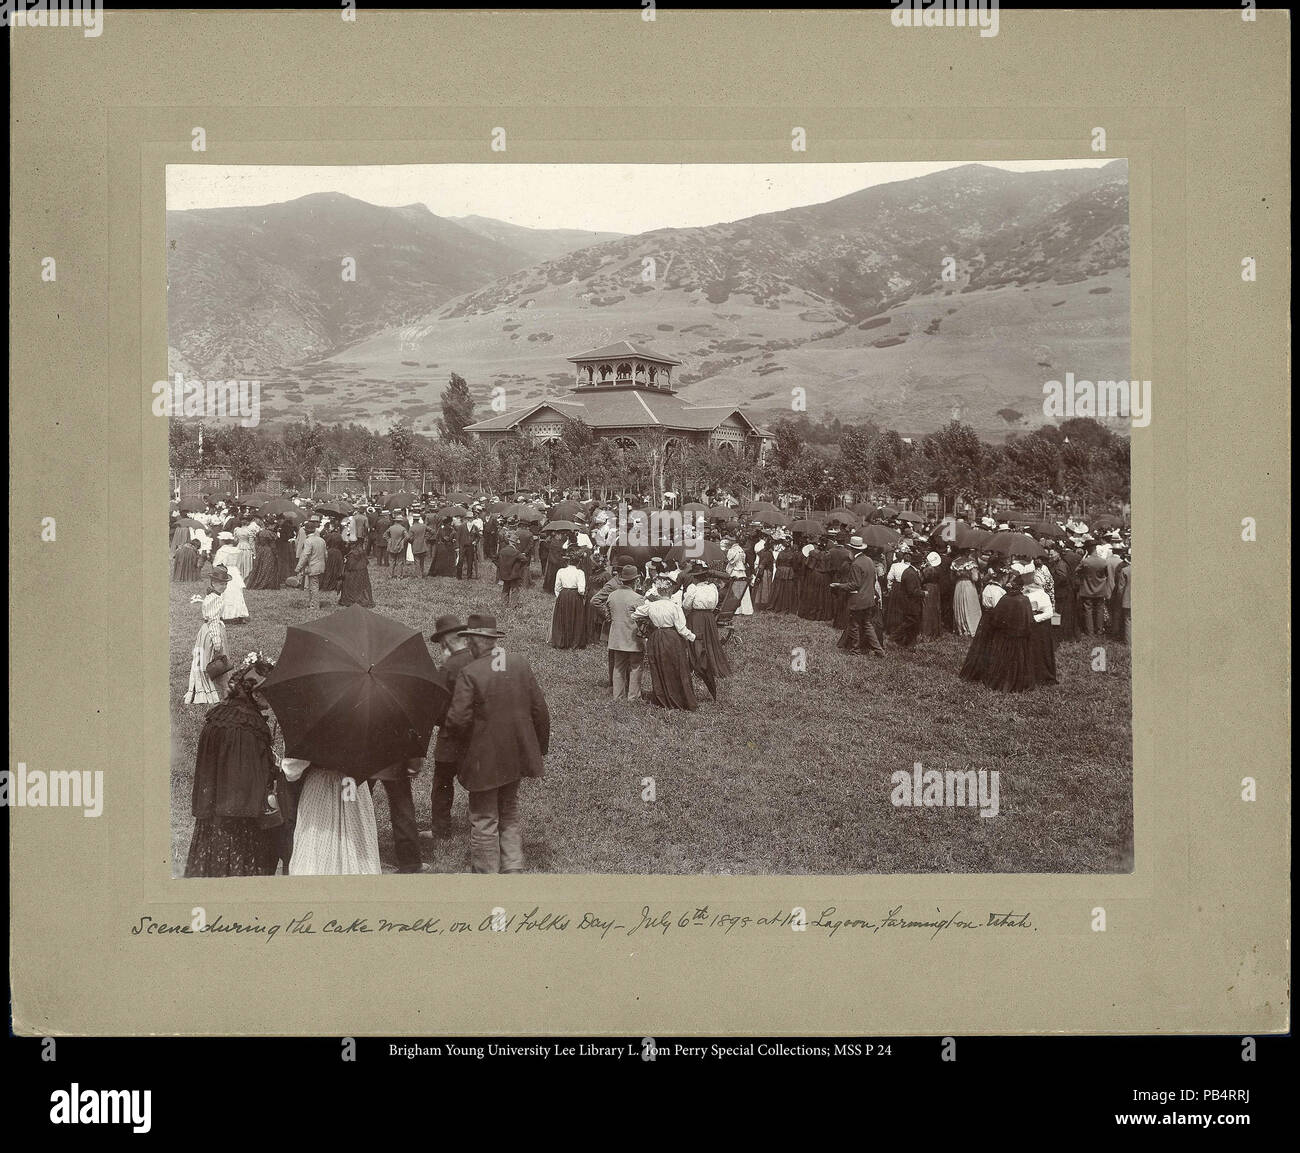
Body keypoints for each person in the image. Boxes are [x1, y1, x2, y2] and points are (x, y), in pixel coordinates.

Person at [443, 615, 551, 874]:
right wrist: (538, 748)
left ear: (476, 642)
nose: (468, 645)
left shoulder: (470, 673)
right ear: (493, 640)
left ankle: (486, 874)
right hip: (516, 754)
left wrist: (458, 748)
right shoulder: (519, 664)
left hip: (483, 759)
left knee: (483, 817)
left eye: (469, 640)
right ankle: (513, 866)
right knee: (509, 810)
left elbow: (457, 720)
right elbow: (540, 711)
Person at [184, 654, 281, 877]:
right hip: (239, 822)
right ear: (255, 693)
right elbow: (251, 776)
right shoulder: (248, 725)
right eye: (269, 693)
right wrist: (274, 768)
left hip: (213, 815)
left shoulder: (220, 714)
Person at [282, 757, 382, 875]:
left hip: (322, 784)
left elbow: (292, 770)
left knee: (319, 841)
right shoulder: (361, 738)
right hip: (353, 783)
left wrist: (284, 766)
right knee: (355, 838)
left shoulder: (318, 737)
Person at [426, 615, 473, 836]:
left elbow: (436, 707)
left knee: (442, 782)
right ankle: (483, 826)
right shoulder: (478, 659)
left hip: (450, 737)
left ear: (445, 643)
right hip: (476, 735)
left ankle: (441, 829)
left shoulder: (448, 668)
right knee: (477, 782)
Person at [960, 573, 1037, 693]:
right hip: (1019, 639)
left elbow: (996, 619)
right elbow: (1029, 621)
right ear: (1022, 588)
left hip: (1004, 638)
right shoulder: (1024, 600)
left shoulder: (1004, 598)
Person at [633, 577, 699, 711]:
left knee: (658, 665)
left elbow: (634, 615)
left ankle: (662, 696)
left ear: (658, 591)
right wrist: (693, 637)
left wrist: (647, 622)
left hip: (656, 637)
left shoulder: (651, 605)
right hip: (671, 637)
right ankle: (677, 696)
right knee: (675, 666)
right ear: (670, 592)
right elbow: (681, 629)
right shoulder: (674, 607)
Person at [183, 568, 232, 704]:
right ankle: (215, 687)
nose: (224, 586)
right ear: (213, 584)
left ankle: (216, 685)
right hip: (211, 632)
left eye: (225, 584)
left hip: (205, 631)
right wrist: (217, 641)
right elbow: (213, 620)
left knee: (207, 659)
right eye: (221, 584)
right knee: (214, 660)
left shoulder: (213, 597)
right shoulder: (215, 600)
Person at [837, 536, 885, 657]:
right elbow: (873, 579)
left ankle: (855, 650)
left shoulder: (856, 564)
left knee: (854, 625)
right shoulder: (869, 560)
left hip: (858, 600)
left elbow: (854, 585)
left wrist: (839, 586)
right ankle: (879, 650)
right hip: (869, 599)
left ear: (852, 550)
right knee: (867, 625)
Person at [605, 565, 646, 701]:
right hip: (633, 638)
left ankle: (618, 695)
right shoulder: (638, 598)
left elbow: (608, 614)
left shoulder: (612, 595)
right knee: (635, 666)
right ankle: (633, 696)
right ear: (635, 581)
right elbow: (644, 619)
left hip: (616, 637)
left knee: (618, 666)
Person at [549, 552, 588, 649]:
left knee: (562, 616)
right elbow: (581, 590)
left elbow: (557, 587)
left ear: (568, 561)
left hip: (563, 594)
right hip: (575, 596)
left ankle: (561, 640)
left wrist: (561, 597)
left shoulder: (561, 571)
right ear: (578, 562)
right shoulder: (580, 573)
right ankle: (573, 641)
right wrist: (581, 597)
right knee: (575, 616)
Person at [1026, 569, 1057, 685]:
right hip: (1031, 625)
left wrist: (1034, 619)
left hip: (1041, 627)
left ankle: (1042, 674)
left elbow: (1049, 613)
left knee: (1041, 650)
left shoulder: (1043, 595)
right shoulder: (1028, 593)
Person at [1075, 540, 1113, 635]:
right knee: (1100, 610)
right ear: (1095, 548)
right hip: (1100, 589)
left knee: (1088, 610)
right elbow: (1107, 575)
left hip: (1087, 589)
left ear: (1087, 549)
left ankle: (1090, 631)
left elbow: (1076, 571)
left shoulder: (1085, 562)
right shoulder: (1103, 562)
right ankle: (1099, 630)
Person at [891, 552, 925, 649]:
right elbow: (912, 591)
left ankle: (908, 643)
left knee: (912, 623)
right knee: (910, 622)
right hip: (910, 603)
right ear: (918, 563)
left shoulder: (910, 571)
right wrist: (923, 593)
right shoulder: (911, 573)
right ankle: (894, 638)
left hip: (910, 602)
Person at [295, 520, 327, 610]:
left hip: (312, 566)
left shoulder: (308, 541)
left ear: (306, 531)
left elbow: (305, 555)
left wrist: (298, 568)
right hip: (321, 565)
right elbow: (326, 554)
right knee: (314, 585)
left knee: (313, 586)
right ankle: (312, 603)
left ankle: (314, 605)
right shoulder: (322, 540)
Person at [952, 552, 982, 636]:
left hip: (958, 585)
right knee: (970, 605)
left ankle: (960, 628)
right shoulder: (972, 563)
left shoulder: (955, 562)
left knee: (960, 604)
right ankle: (970, 628)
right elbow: (975, 578)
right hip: (968, 586)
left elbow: (952, 578)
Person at [337, 541, 375, 607]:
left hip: (353, 575)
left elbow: (350, 567)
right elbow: (366, 562)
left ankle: (351, 598)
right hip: (363, 573)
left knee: (347, 581)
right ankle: (364, 598)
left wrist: (345, 562)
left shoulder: (352, 554)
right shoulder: (361, 551)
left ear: (352, 545)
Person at [246, 522, 281, 589]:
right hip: (268, 551)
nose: (274, 527)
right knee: (269, 567)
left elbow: (256, 543)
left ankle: (257, 582)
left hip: (261, 551)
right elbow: (273, 546)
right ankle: (267, 584)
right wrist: (276, 553)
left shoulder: (260, 532)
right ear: (270, 525)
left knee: (260, 566)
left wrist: (258, 550)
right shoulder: (270, 534)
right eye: (273, 525)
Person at [495, 536, 527, 606]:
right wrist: (518, 565)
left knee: (505, 589)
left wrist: (500, 566)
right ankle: (514, 605)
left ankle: (504, 603)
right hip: (513, 574)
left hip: (504, 574)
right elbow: (525, 559)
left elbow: (495, 559)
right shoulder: (516, 552)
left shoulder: (502, 550)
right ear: (515, 544)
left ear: (509, 542)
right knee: (514, 589)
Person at [920, 551, 944, 640]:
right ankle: (936, 631)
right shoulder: (938, 569)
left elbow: (921, 579)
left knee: (927, 609)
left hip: (928, 587)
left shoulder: (926, 570)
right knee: (935, 608)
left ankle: (927, 631)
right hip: (936, 588)